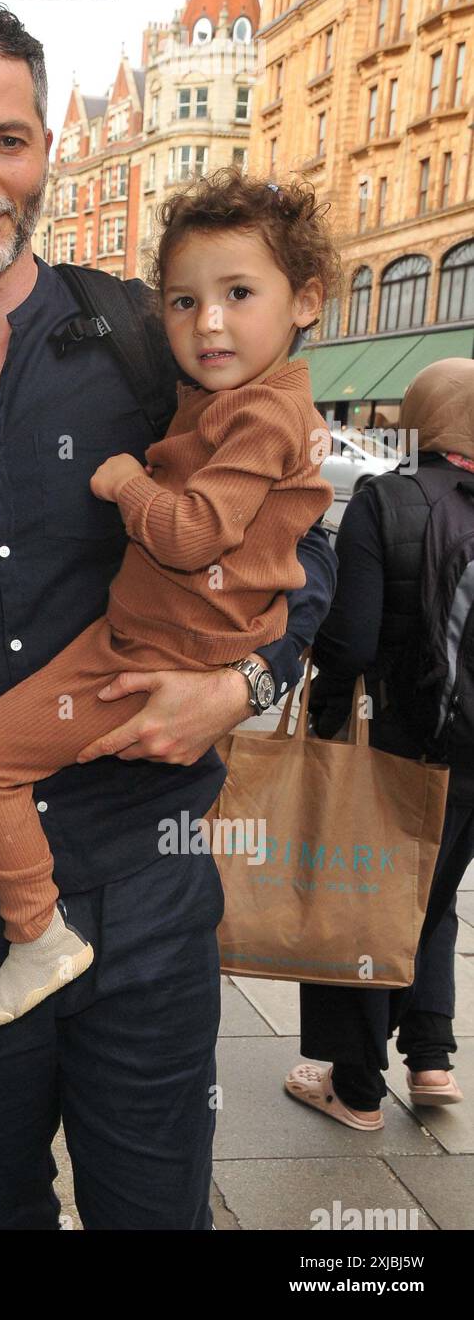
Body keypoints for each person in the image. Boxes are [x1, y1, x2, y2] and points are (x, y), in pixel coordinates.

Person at [0, 0, 337, 1229]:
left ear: (43, 150)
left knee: (156, 1213)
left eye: (8, 141)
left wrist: (240, 688)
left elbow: (310, 553)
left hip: (149, 877)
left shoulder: (149, 343)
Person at [0, 170, 336, 1029]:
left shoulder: (262, 414)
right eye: (183, 301)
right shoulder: (230, 399)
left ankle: (36, 933)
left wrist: (126, 481)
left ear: (305, 299)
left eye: (239, 294)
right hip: (149, 641)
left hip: (155, 657)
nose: (209, 323)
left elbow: (196, 536)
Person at [286, 357, 474, 1127]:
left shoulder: (384, 500)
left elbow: (352, 641)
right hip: (470, 755)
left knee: (362, 898)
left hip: (391, 747)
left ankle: (356, 1089)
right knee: (433, 896)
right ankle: (431, 1061)